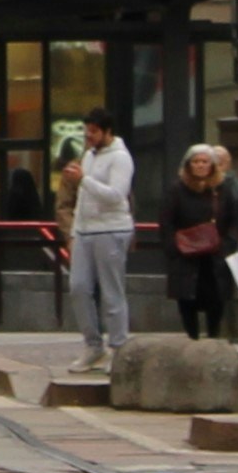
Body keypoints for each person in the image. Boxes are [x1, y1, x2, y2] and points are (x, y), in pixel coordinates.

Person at [67, 111, 137, 368]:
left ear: (108, 132)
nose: (89, 136)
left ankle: (118, 346)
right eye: (87, 131)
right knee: (78, 287)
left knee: (111, 292)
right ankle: (93, 344)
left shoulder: (120, 158)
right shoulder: (88, 156)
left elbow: (116, 195)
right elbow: (82, 200)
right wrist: (75, 231)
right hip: (86, 230)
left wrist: (84, 180)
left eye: (94, 131)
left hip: (111, 229)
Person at [162, 143, 238, 341]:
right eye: (196, 162)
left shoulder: (223, 189)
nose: (200, 166)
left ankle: (213, 336)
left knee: (216, 299)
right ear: (188, 164)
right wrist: (174, 249)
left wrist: (227, 244)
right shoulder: (176, 190)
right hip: (185, 255)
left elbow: (237, 219)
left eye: (205, 162)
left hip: (215, 255)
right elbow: (167, 222)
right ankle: (192, 337)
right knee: (186, 300)